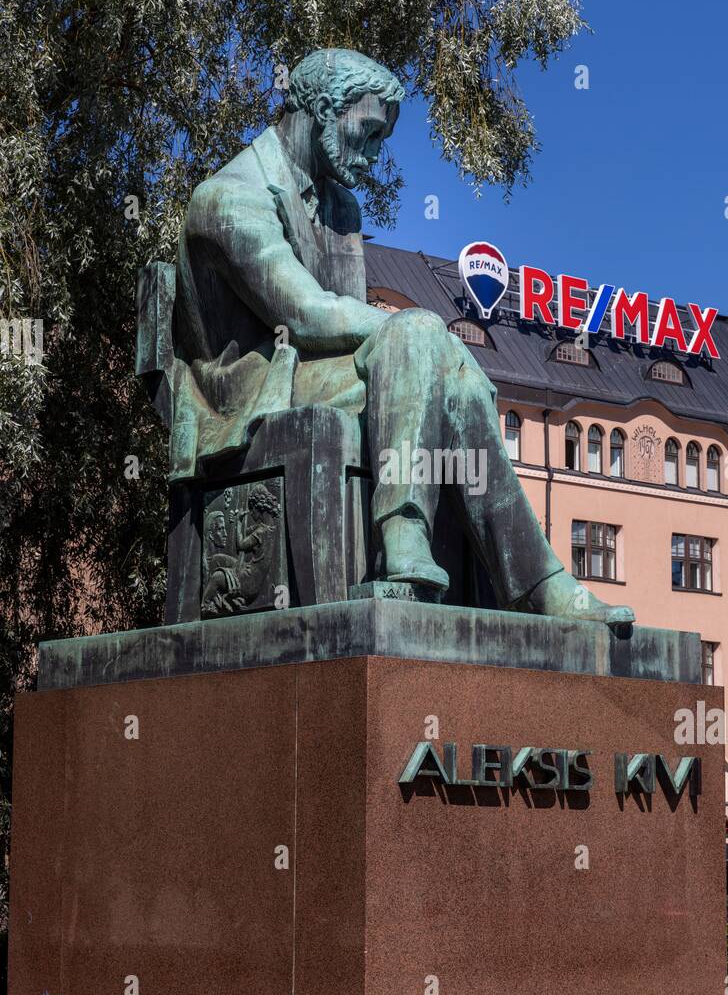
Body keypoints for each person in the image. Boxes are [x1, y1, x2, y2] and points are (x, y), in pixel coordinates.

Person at [174, 49, 634, 622]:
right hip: (254, 393)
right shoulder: (228, 198)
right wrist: (433, 334)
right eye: (368, 134)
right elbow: (307, 314)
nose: (373, 156)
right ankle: (407, 540)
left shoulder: (338, 205)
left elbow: (352, 332)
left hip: (319, 374)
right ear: (321, 109)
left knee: (458, 389)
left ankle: (537, 583)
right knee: (418, 333)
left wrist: (433, 348)